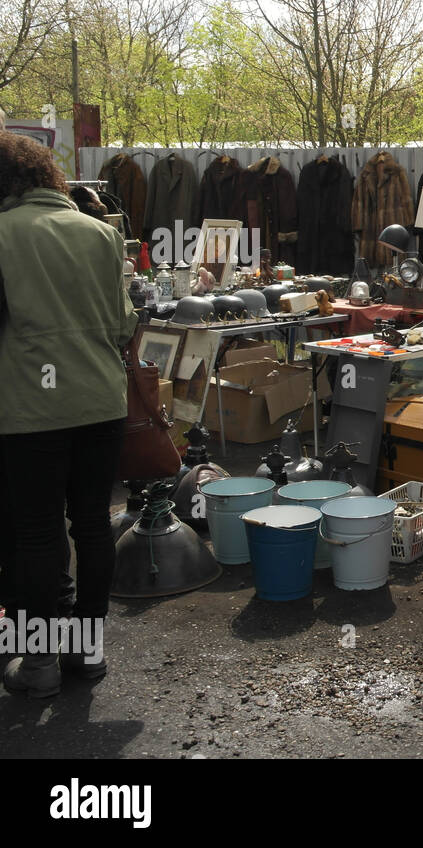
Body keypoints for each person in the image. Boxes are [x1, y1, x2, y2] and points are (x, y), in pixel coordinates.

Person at [0, 132, 138, 698]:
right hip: (101, 402)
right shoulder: (102, 233)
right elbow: (125, 323)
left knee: (36, 531)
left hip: (30, 407)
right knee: (92, 523)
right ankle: (86, 651)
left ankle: (38, 663)